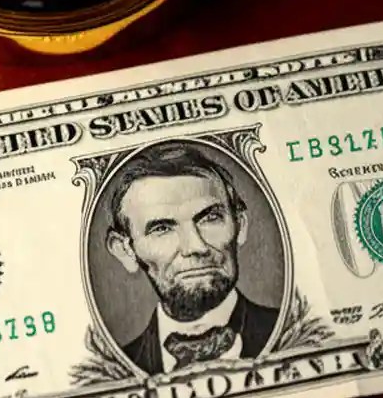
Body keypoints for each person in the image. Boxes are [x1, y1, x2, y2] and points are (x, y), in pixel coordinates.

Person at [104, 142, 279, 375]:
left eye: (210, 219)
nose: (195, 247)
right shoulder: (116, 368)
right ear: (126, 250)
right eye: (162, 229)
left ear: (241, 225)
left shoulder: (293, 329)